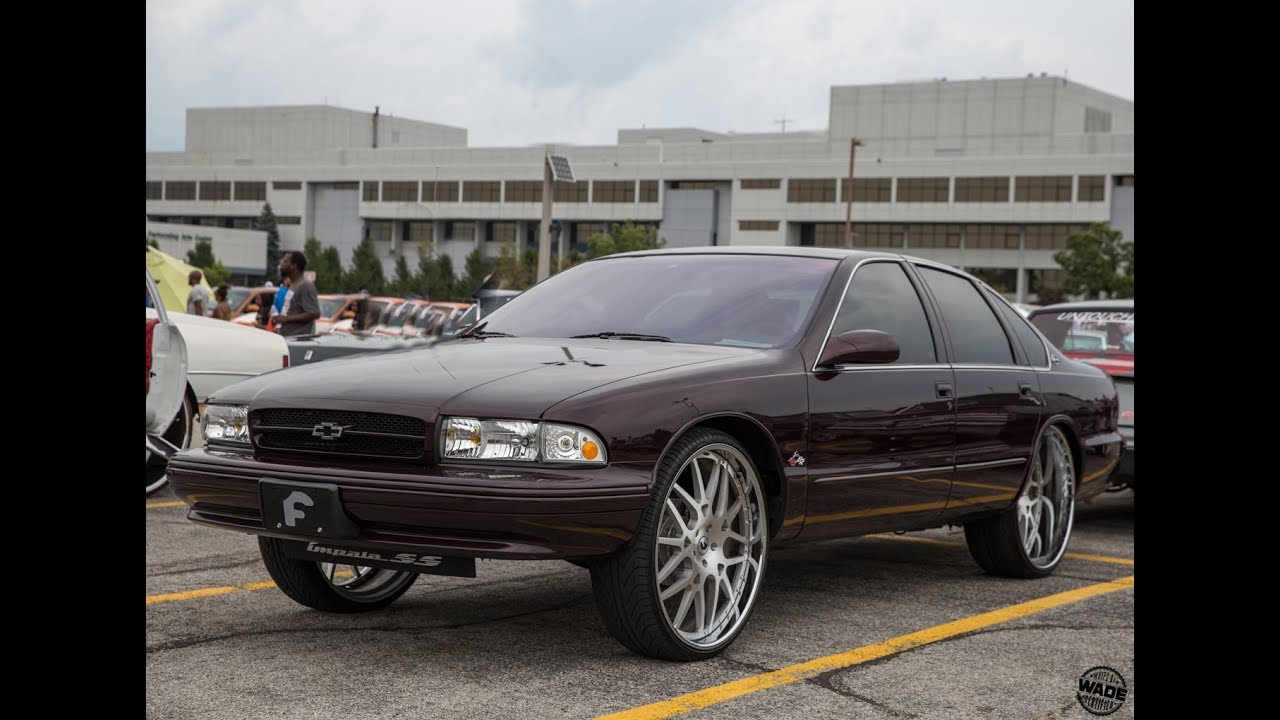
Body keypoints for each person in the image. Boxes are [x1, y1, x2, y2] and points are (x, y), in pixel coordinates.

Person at [274, 251, 321, 336]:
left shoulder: (305, 285)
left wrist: (286, 319)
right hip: (287, 337)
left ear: (294, 266)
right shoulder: (293, 285)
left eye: (285, 261)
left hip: (298, 339)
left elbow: (314, 313)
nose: (281, 263)